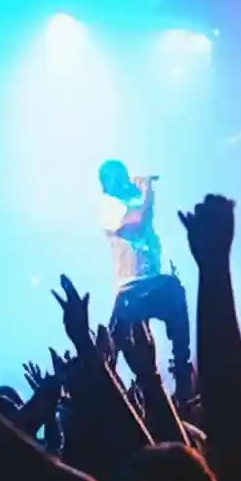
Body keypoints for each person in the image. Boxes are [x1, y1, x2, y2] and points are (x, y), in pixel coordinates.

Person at [98, 159, 193, 401]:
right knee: (132, 346)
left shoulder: (135, 201)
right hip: (130, 289)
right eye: (115, 177)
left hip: (149, 282)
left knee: (175, 295)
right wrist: (148, 193)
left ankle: (182, 377)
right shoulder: (108, 206)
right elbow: (135, 223)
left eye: (123, 175)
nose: (122, 181)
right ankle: (109, 389)